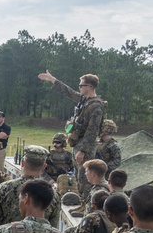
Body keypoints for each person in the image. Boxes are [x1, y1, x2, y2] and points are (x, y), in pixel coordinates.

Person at [38, 70, 106, 206]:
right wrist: (52, 79)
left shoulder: (96, 106)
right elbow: (68, 92)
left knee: (85, 177)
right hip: (77, 143)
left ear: (90, 87)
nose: (79, 88)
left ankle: (87, 205)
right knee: (78, 176)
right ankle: (82, 203)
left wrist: (83, 151)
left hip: (84, 146)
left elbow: (92, 131)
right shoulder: (84, 100)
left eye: (81, 86)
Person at [0, 146, 61, 229]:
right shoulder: (53, 194)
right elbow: (53, 227)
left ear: (22, 163)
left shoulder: (3, 188)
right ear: (44, 166)